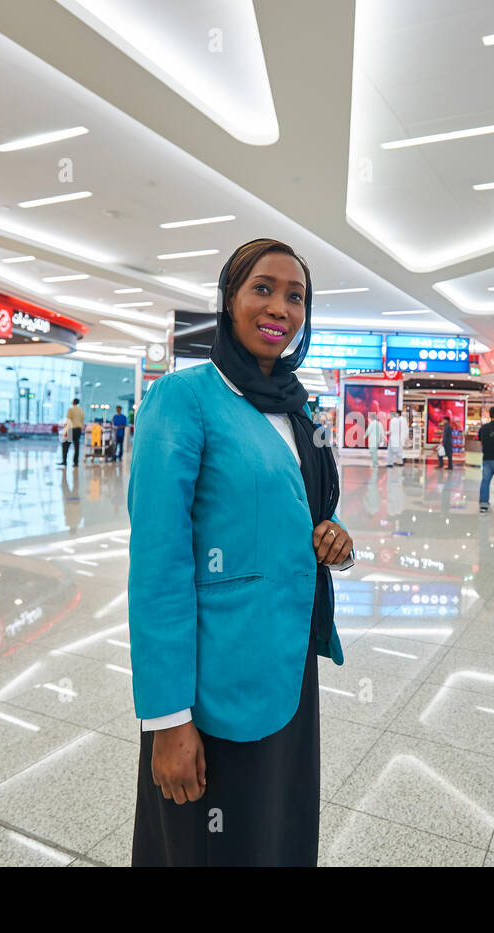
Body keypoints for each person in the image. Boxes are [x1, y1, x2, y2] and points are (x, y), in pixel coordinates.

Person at [127, 237, 354, 867]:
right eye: (262, 288)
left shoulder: (299, 407)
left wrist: (334, 535)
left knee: (278, 834)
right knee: (208, 848)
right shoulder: (184, 399)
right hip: (212, 687)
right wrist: (168, 719)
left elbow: (307, 508)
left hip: (289, 671)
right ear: (229, 300)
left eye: (296, 295)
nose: (279, 306)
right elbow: (157, 565)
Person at [60, 398, 84, 467]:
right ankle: (75, 462)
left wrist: (65, 431)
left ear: (73, 402)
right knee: (76, 446)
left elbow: (68, 421)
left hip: (71, 429)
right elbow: (82, 420)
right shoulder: (81, 410)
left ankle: (64, 461)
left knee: (65, 445)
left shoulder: (71, 410)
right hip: (78, 429)